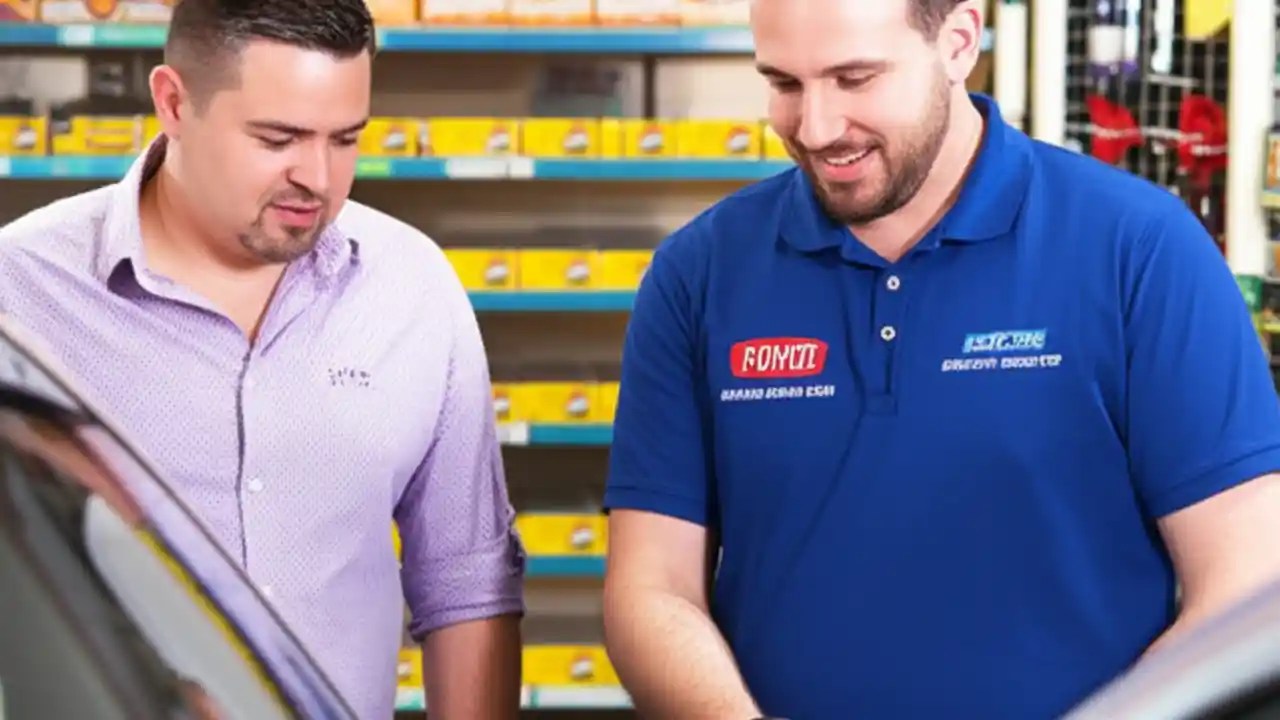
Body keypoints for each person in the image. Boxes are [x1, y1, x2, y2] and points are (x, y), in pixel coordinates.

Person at [600, 0, 1280, 718]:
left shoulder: (1138, 250)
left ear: (957, 43)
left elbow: (1249, 579)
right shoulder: (698, 273)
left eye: (855, 78)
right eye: (785, 85)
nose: (817, 128)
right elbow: (652, 589)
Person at [0, 1, 525, 718]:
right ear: (174, 103)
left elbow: (467, 582)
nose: (318, 177)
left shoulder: (414, 288)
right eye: (279, 138)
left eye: (346, 139)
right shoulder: (22, 289)